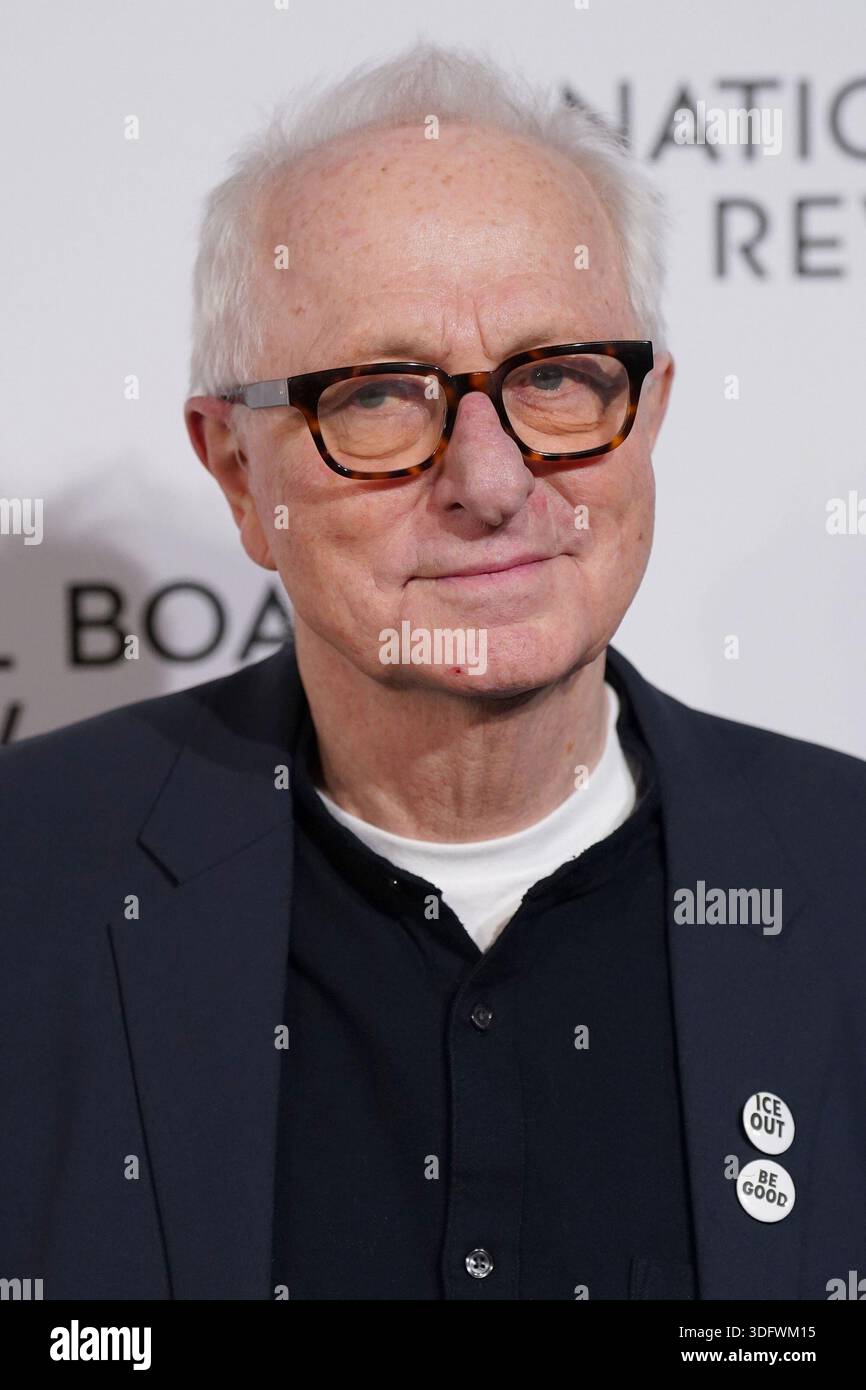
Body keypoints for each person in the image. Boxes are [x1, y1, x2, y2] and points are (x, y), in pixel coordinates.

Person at [2, 41, 864, 1302]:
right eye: (377, 397)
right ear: (238, 472)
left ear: (651, 414)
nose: (492, 481)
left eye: (557, 378)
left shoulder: (842, 872)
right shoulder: (29, 878)